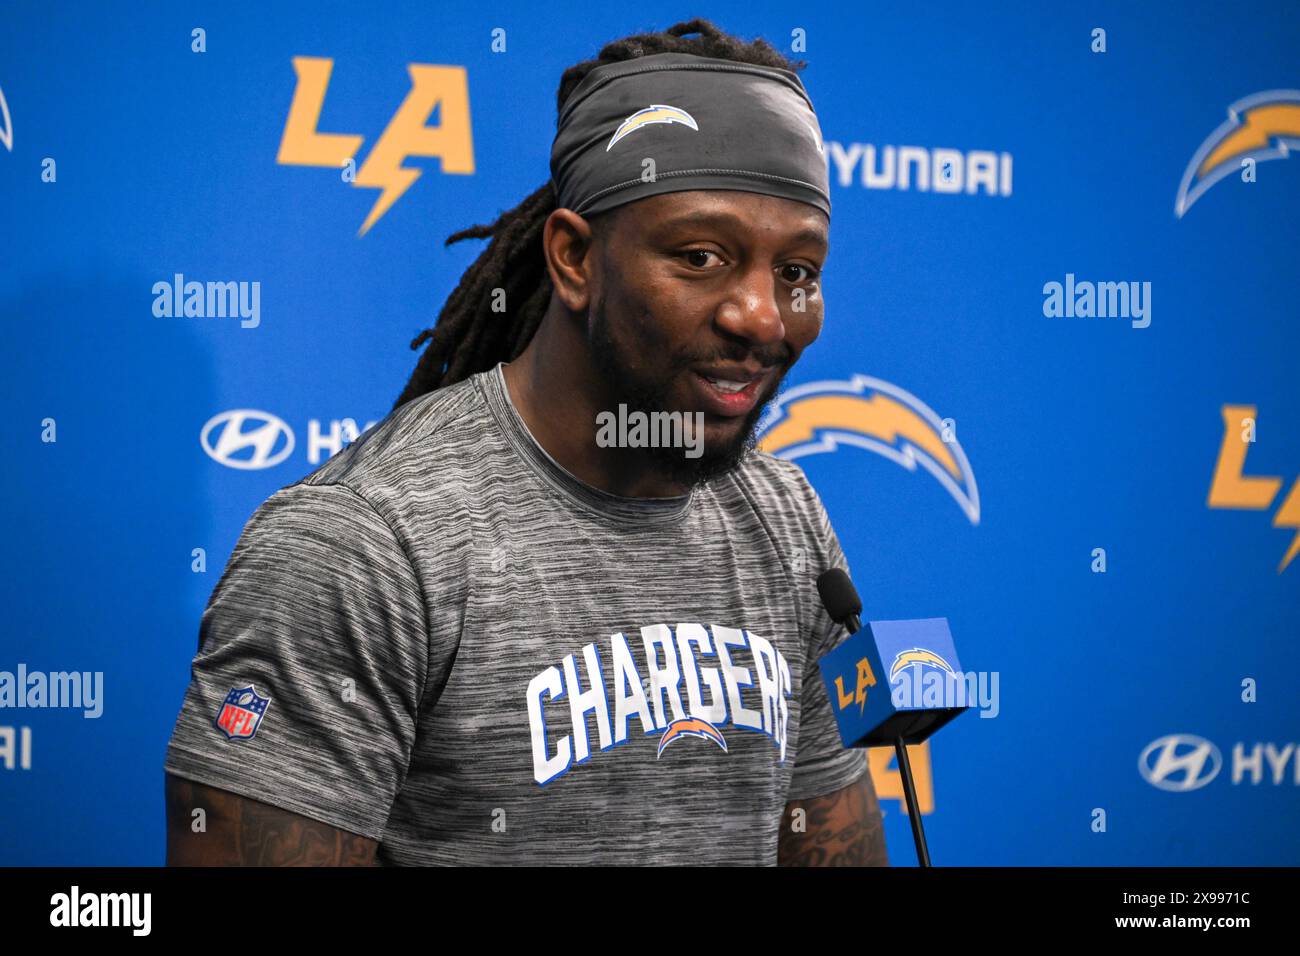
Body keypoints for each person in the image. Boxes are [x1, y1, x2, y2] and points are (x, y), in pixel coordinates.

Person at [164, 18, 888, 866]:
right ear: (574, 258)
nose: (762, 317)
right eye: (700, 256)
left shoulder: (787, 518)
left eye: (797, 273)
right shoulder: (363, 545)